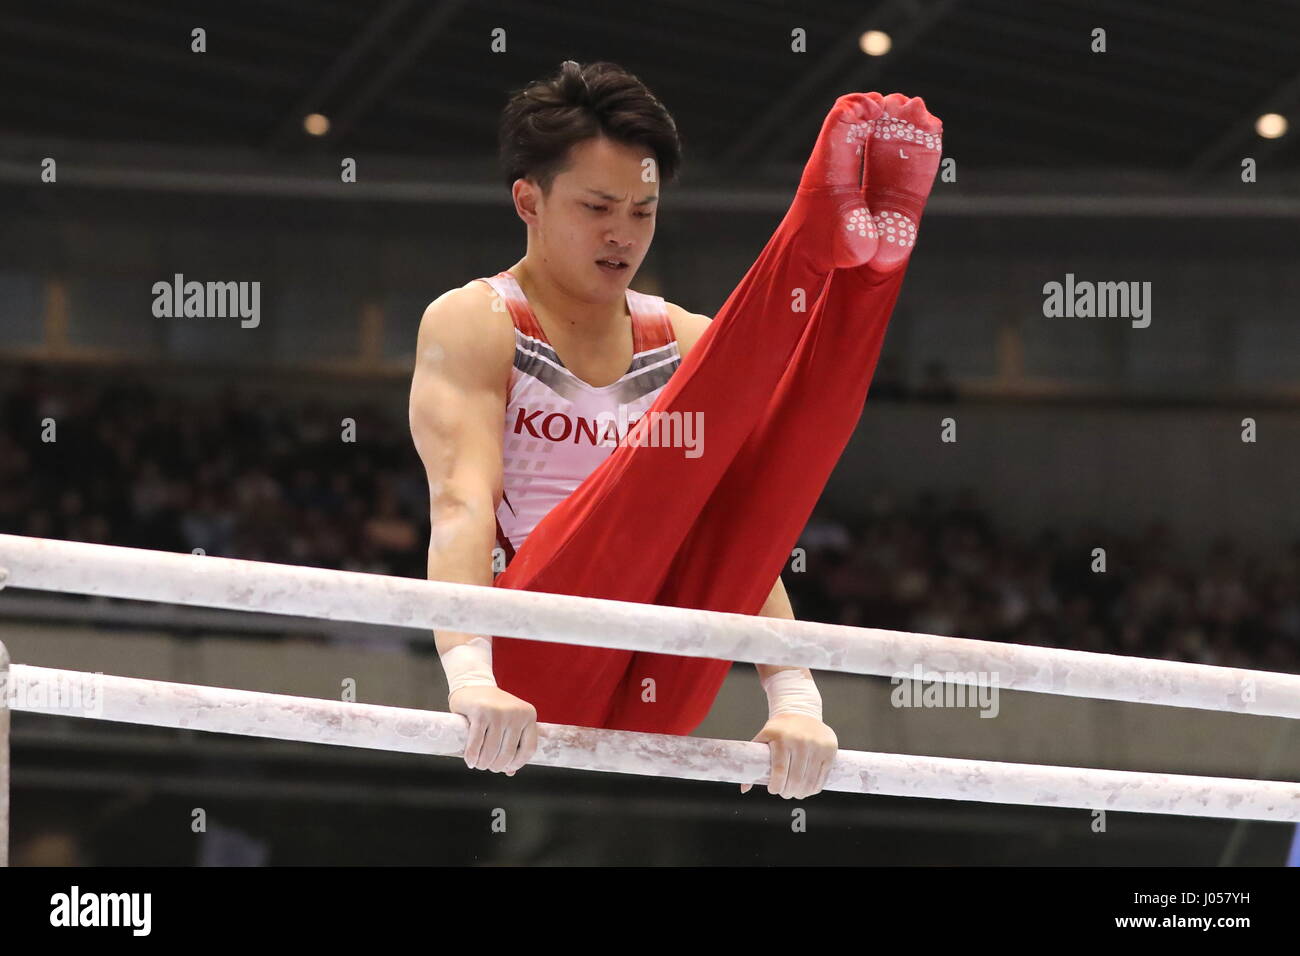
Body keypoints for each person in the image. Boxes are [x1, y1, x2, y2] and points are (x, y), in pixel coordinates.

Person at [408, 60, 941, 799]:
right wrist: (470, 674)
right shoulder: (477, 321)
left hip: (665, 678)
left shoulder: (686, 339)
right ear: (528, 200)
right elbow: (462, 503)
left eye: (642, 212)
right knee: (661, 468)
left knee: (771, 469)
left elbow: (748, 534)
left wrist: (794, 700)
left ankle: (873, 270)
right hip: (537, 654)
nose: (622, 235)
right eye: (598, 207)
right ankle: (810, 236)